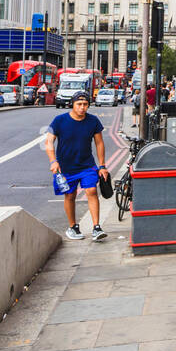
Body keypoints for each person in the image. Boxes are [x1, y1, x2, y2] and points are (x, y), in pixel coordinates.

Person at [45, 92, 110, 242]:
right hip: (66, 167)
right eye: (79, 104)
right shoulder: (60, 120)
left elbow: (99, 143)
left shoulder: (93, 121)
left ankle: (96, 227)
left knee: (92, 190)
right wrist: (53, 161)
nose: (82, 108)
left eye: (85, 104)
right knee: (70, 195)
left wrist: (102, 165)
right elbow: (49, 142)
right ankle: (73, 226)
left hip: (87, 165)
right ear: (72, 104)